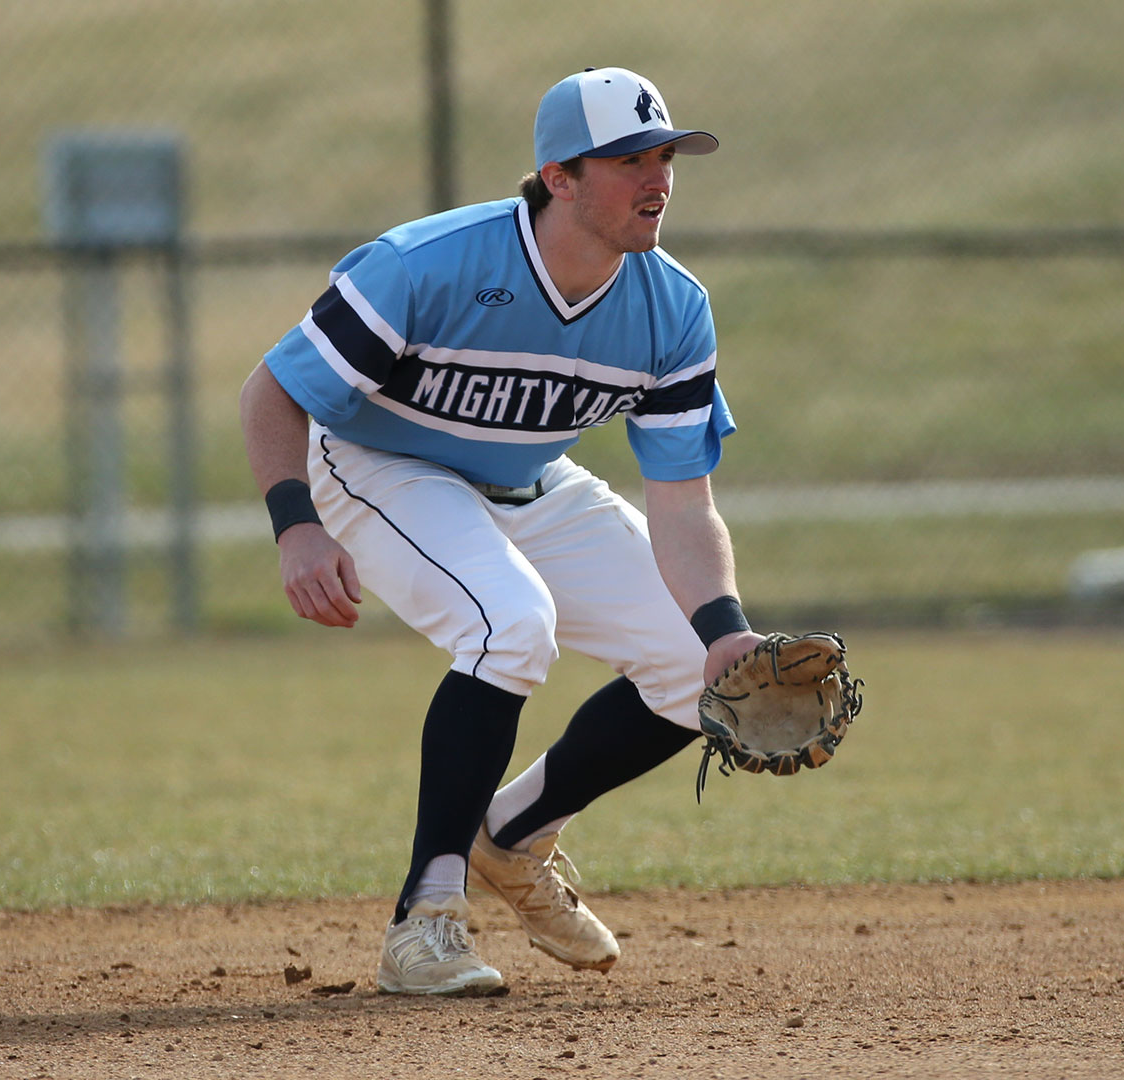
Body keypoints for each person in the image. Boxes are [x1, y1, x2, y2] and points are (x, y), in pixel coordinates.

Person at [239, 66, 765, 996]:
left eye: (667, 155)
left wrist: (725, 631)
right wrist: (296, 526)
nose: (660, 177)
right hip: (375, 464)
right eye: (629, 159)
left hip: (526, 476)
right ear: (559, 175)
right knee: (510, 622)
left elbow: (684, 502)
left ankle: (510, 836)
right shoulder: (427, 264)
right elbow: (272, 391)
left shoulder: (672, 308)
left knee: (696, 670)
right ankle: (425, 920)